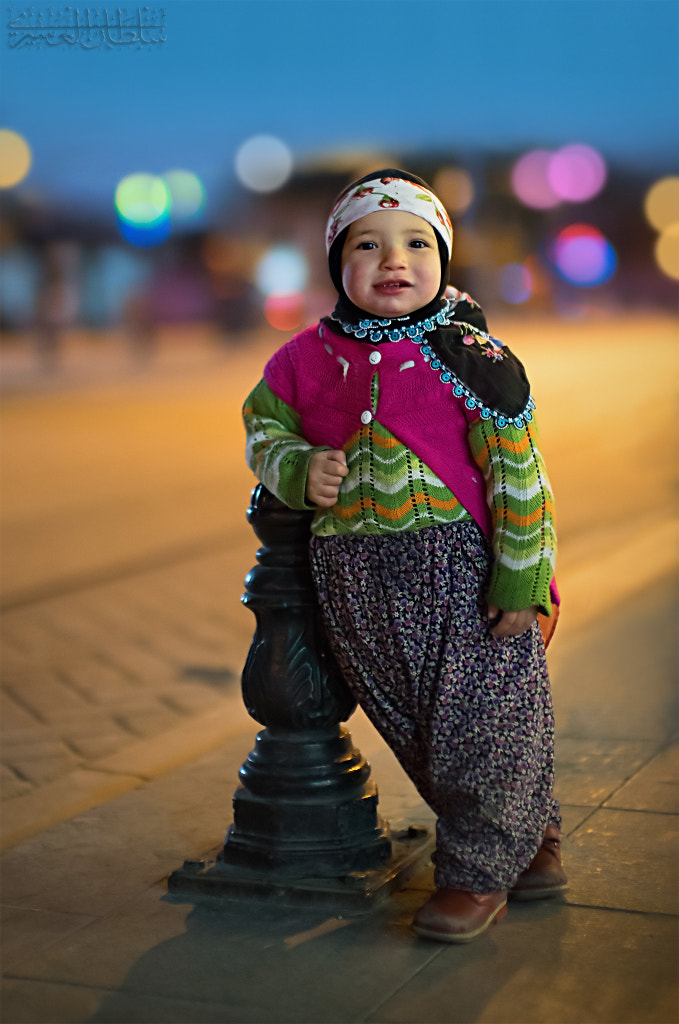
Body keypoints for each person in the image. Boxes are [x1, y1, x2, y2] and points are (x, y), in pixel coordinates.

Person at [242, 169, 567, 943]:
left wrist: (520, 576)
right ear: (337, 267)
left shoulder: (471, 355)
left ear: (442, 259)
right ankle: (529, 833)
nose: (395, 259)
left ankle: (477, 868)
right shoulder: (303, 360)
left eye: (417, 242)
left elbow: (517, 470)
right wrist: (292, 465)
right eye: (367, 245)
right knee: (415, 725)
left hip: (460, 570)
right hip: (354, 578)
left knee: (483, 719)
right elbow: (261, 428)